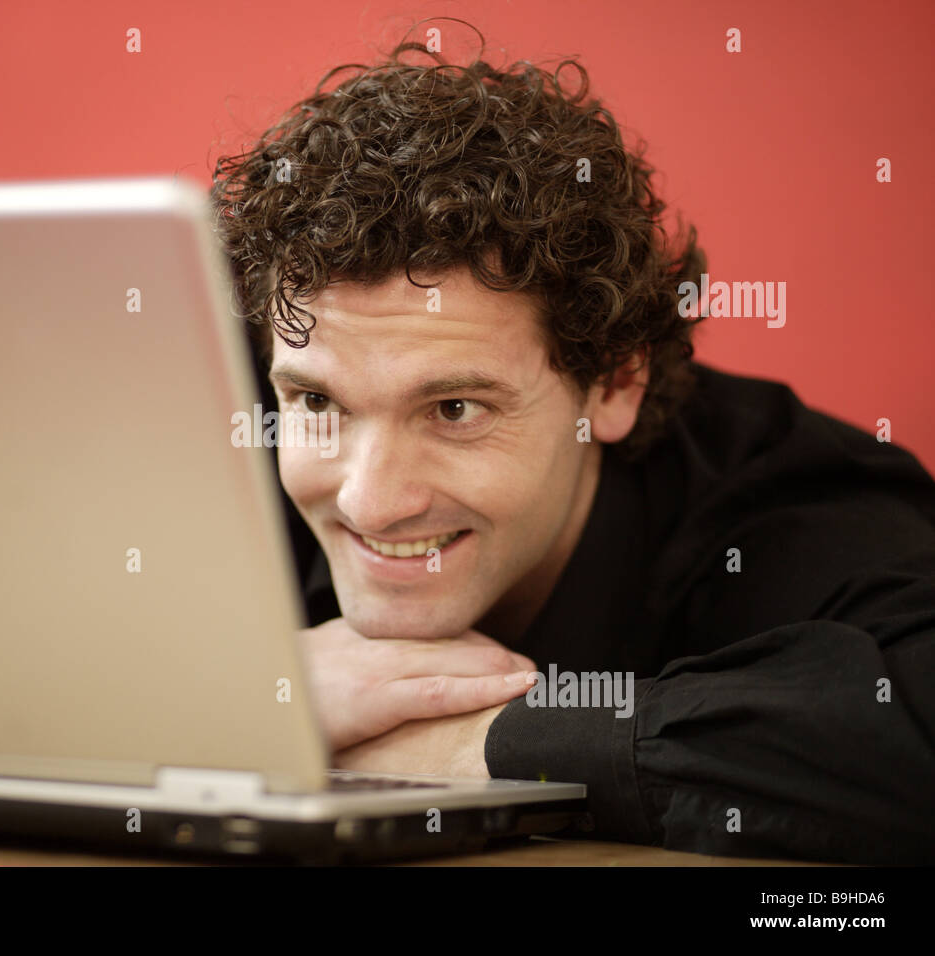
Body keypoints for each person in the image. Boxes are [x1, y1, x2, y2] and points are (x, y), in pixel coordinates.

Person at [208, 22, 935, 864]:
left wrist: (477, 747)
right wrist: (234, 702)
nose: (371, 498)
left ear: (616, 382)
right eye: (317, 403)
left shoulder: (795, 505)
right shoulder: (210, 465)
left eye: (453, 409)